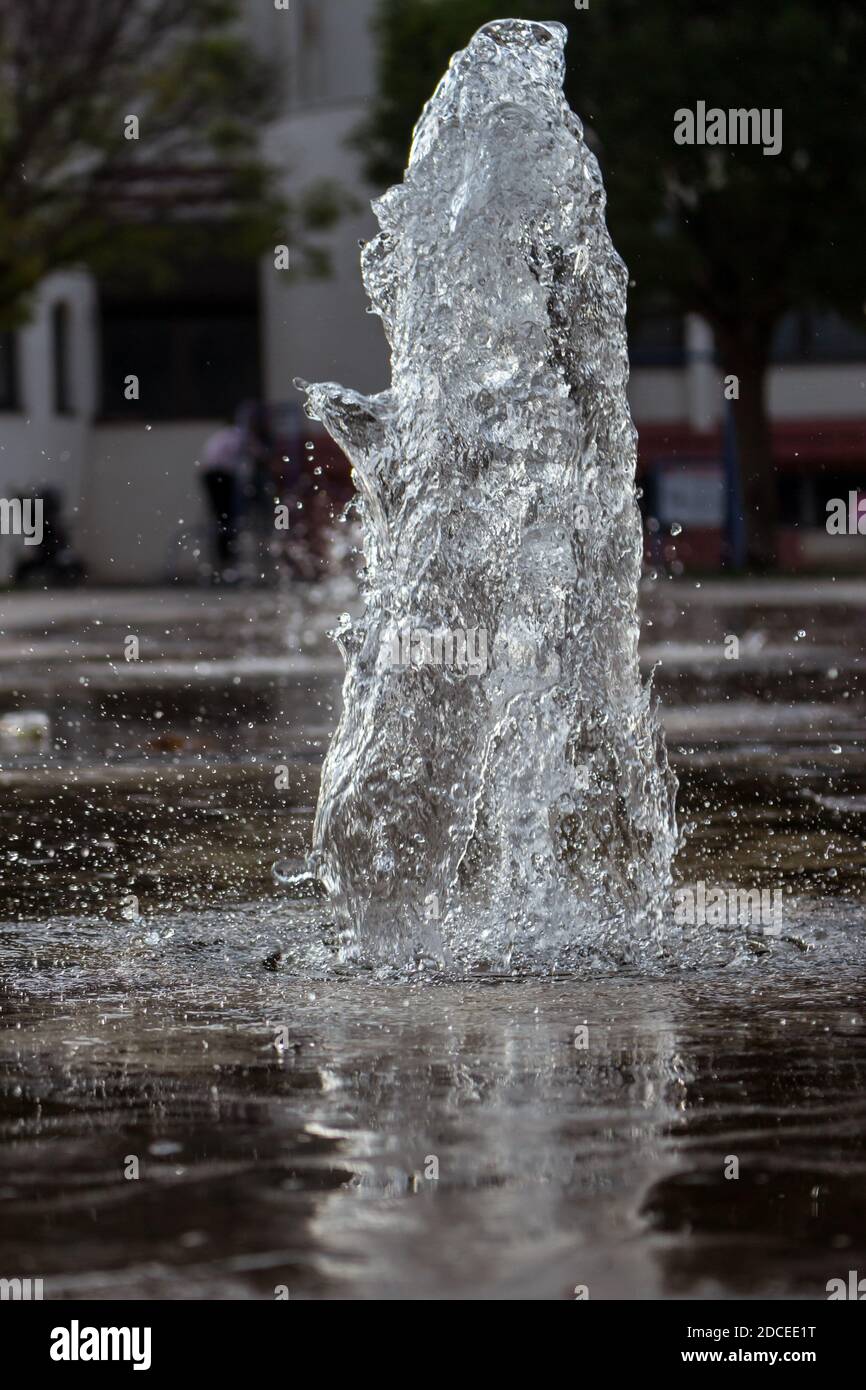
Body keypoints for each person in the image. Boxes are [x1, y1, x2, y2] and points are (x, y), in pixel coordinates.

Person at [200, 420, 244, 574]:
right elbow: (250, 451)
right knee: (225, 516)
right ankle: (226, 556)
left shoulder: (220, 435)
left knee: (220, 515)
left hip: (210, 474)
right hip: (219, 475)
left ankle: (223, 555)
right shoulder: (236, 435)